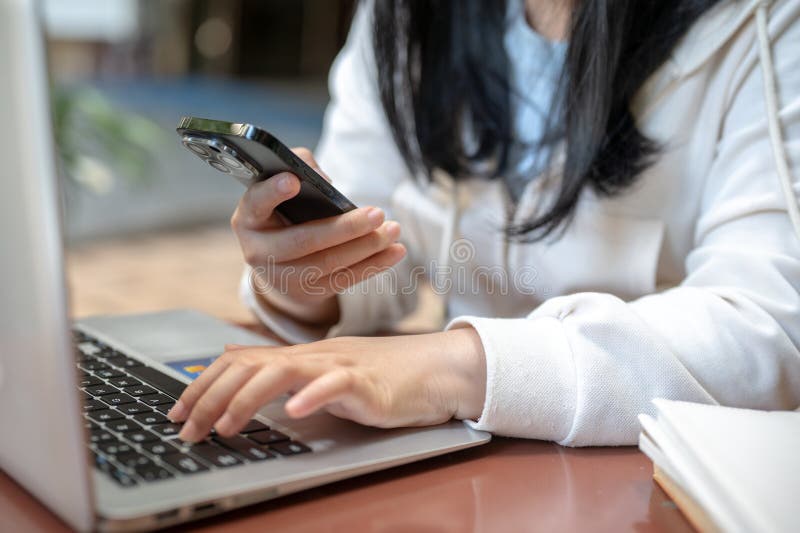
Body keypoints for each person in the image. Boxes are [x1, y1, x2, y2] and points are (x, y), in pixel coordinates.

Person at [170, 0, 800, 446]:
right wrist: (302, 279)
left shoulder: (763, 24)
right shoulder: (407, 16)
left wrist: (455, 366)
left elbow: (770, 331)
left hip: (643, 468)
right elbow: (385, 260)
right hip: (452, 451)